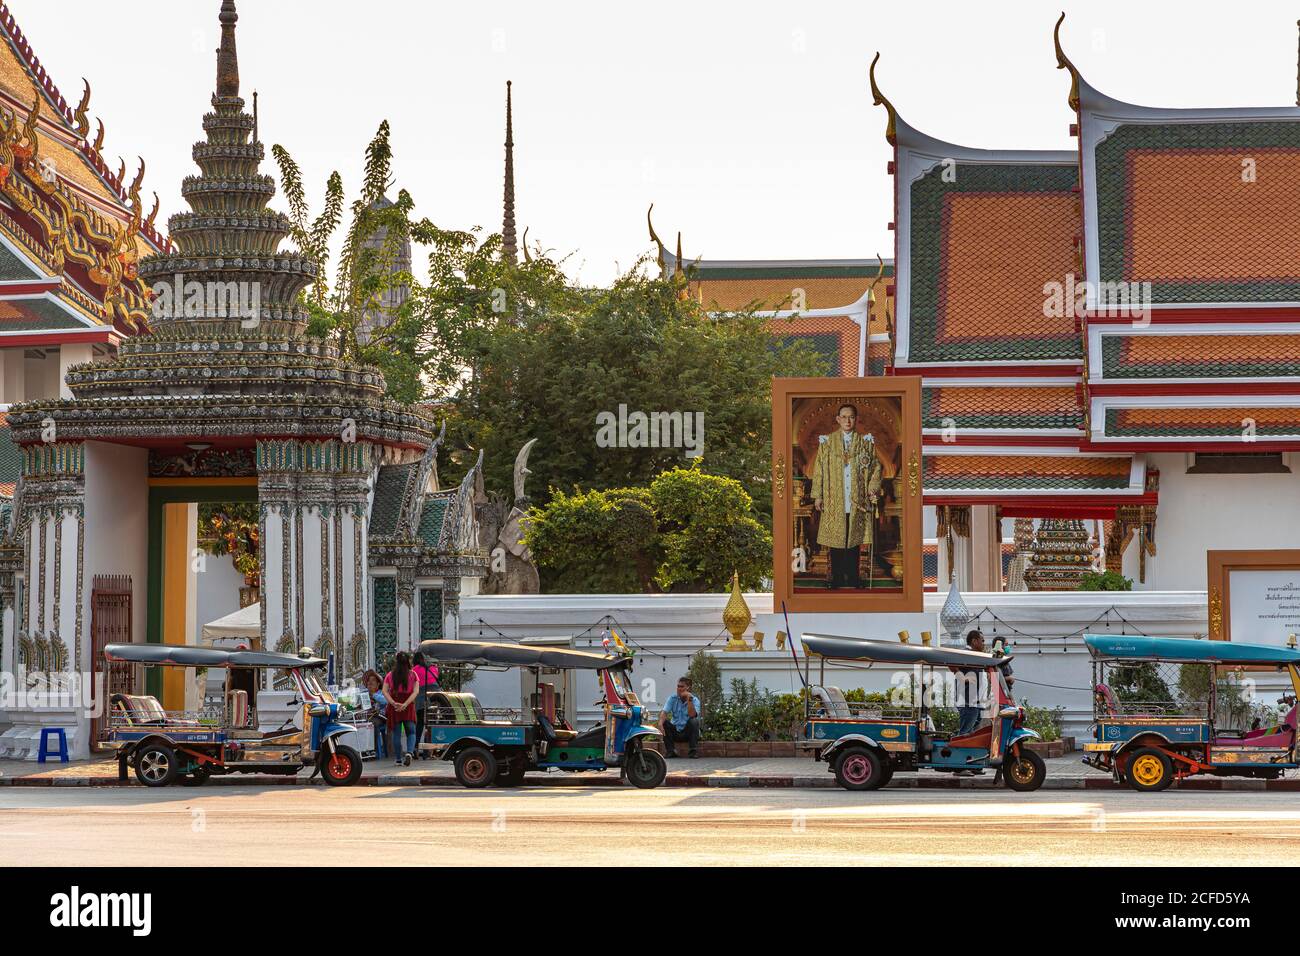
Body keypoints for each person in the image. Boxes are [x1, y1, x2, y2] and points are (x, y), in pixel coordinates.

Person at [810, 404, 884, 589]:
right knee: (836, 541)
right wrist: (818, 495)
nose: (847, 421)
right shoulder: (827, 443)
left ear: (856, 419)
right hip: (834, 497)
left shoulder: (865, 442)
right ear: (837, 419)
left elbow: (876, 467)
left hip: (856, 499)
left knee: (853, 541)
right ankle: (835, 578)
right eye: (843, 417)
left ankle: (853, 578)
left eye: (851, 417)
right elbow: (818, 470)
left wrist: (871, 489)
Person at [383, 652, 419, 766]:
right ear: (408, 661)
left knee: (396, 733)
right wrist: (406, 704)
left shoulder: (390, 675)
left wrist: (393, 703)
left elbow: (384, 691)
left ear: (396, 661)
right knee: (411, 732)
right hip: (408, 706)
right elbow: (416, 691)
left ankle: (398, 759)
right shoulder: (413, 675)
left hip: (395, 706)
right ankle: (409, 752)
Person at [659, 676, 701, 758]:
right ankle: (671, 751)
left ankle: (693, 751)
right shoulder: (672, 698)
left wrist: (689, 698)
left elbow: (692, 715)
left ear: (688, 688)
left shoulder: (695, 700)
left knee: (694, 721)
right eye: (678, 686)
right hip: (675, 732)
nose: (679, 688)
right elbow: (664, 712)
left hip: (688, 733)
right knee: (665, 722)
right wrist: (660, 723)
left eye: (682, 686)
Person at [411, 652, 440, 759]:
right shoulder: (434, 668)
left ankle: (415, 749)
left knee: (419, 724)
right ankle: (428, 752)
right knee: (430, 725)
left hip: (420, 698)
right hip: (434, 698)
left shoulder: (414, 670)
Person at [362, 670, 388, 760]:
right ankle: (363, 750)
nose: (370, 683)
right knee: (360, 724)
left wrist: (373, 695)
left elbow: (385, 701)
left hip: (379, 717)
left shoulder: (381, 693)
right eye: (369, 681)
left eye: (373, 681)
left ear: (378, 684)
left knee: (372, 724)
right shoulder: (364, 694)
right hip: (366, 716)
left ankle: (374, 750)